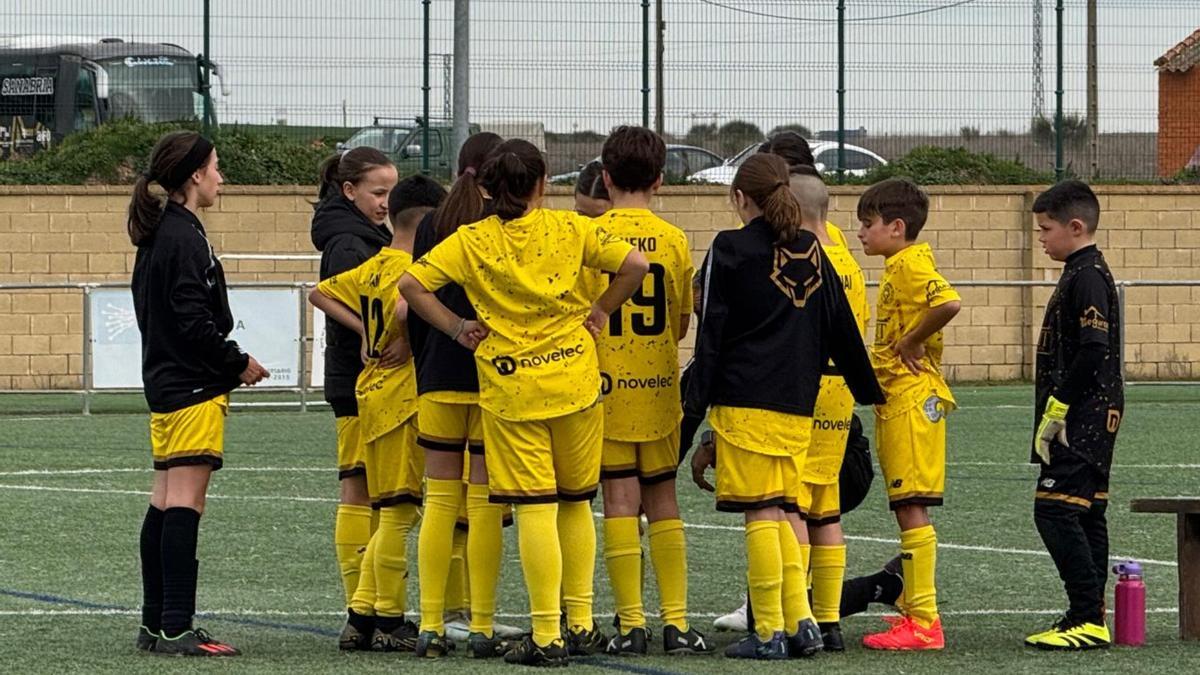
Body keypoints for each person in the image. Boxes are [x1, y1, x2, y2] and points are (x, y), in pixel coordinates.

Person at [400, 139, 649, 667]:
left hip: (512, 387)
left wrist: (457, 326)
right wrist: (601, 309)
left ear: (486, 188)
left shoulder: (472, 240)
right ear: (542, 185)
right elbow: (635, 264)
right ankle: (578, 622)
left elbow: (411, 285)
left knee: (535, 507)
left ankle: (545, 633)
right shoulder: (572, 228)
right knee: (577, 501)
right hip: (575, 380)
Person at [685, 153, 884, 660]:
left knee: (760, 515)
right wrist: (868, 389)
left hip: (745, 403)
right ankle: (804, 624)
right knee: (786, 510)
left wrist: (692, 405)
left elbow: (711, 333)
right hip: (800, 406)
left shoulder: (729, 248)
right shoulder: (813, 250)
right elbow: (841, 326)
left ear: (738, 198)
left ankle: (769, 630)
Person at [129, 131, 270, 656]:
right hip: (191, 386)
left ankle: (154, 624)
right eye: (215, 167)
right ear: (193, 175)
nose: (220, 176)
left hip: (167, 383)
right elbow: (191, 319)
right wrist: (236, 363)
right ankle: (176, 626)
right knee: (185, 503)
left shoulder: (161, 232)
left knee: (164, 501)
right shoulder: (183, 235)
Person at [585, 126, 708, 656]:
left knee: (618, 500)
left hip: (606, 388)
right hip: (660, 389)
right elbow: (682, 322)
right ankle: (677, 623)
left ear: (606, 178)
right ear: (661, 179)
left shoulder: (589, 236)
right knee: (663, 501)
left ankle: (631, 626)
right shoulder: (674, 238)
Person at [408, 132, 524, 659]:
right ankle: (481, 622)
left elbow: (412, 293)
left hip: (438, 374)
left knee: (437, 501)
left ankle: (431, 622)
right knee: (482, 505)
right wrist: (464, 328)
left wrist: (448, 332)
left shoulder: (434, 221)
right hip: (491, 377)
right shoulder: (502, 225)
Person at [309, 175, 429, 653]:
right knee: (399, 514)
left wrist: (365, 332)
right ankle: (384, 618)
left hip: (370, 394)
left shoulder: (376, 263)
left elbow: (320, 293)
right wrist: (401, 337)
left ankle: (362, 618)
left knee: (381, 510)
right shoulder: (412, 270)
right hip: (400, 403)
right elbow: (404, 308)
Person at [856, 177, 961, 651]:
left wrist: (913, 340)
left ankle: (924, 621)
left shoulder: (912, 263)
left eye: (868, 223)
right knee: (905, 506)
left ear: (896, 227)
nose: (861, 233)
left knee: (911, 508)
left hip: (913, 398)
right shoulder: (899, 263)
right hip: (899, 399)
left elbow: (949, 301)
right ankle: (917, 609)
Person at [1023, 180, 1123, 651]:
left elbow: (1093, 347)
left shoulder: (1086, 275)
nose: (1041, 238)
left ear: (1075, 226)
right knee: (1087, 514)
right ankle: (1088, 615)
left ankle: (1087, 616)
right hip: (1092, 413)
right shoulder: (1082, 270)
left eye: (1045, 229)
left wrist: (1059, 407)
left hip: (1084, 415)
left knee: (1055, 512)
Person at [782, 167, 872, 653]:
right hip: (840, 393)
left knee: (791, 503)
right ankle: (831, 620)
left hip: (804, 387)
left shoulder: (802, 261)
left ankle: (797, 618)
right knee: (827, 505)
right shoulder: (851, 263)